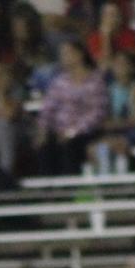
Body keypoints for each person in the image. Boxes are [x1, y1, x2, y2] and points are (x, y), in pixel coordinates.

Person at [38, 40, 108, 175]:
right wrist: (43, 129)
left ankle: (70, 186)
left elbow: (97, 113)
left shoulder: (95, 81)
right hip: (59, 131)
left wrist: (72, 132)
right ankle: (48, 190)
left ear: (79, 55)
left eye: (67, 53)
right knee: (45, 146)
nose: (63, 57)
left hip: (85, 132)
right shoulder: (59, 81)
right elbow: (48, 108)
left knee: (70, 147)